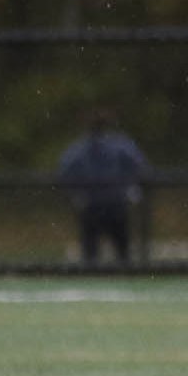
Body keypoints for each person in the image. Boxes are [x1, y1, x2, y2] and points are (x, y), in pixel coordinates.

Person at [55, 108, 148, 266]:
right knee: (117, 251)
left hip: (103, 205)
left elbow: (65, 171)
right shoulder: (119, 146)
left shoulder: (81, 149)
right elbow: (140, 166)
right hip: (106, 205)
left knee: (98, 253)